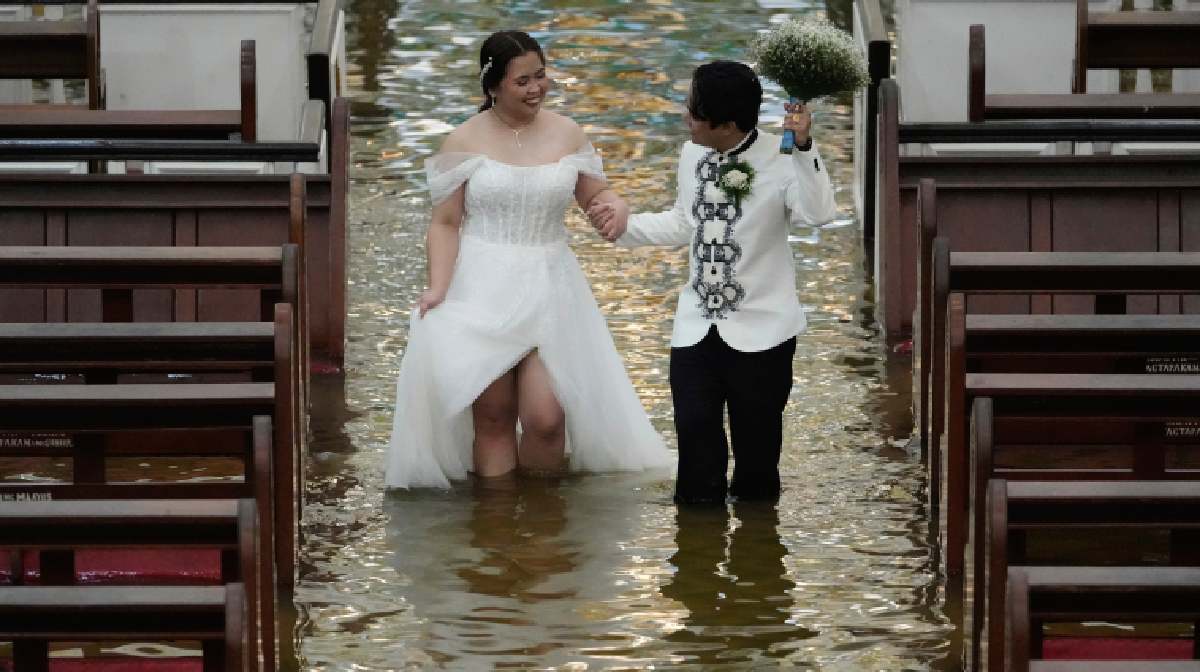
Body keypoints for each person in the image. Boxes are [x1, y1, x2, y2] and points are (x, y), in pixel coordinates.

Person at [385, 31, 672, 489]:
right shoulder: (463, 140)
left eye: (541, 76)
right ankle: (497, 528)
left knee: (546, 418)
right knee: (494, 415)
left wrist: (615, 207)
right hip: (481, 283)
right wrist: (438, 287)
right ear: (493, 86)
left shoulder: (567, 132)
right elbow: (445, 223)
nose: (536, 88)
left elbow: (595, 193)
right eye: (523, 81)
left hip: (550, 281)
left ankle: (541, 526)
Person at [588, 60, 838, 505]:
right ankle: (695, 562)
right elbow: (686, 223)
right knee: (695, 456)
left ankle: (757, 561)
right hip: (696, 328)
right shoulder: (691, 154)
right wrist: (623, 228)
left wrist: (803, 147)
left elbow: (818, 215)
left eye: (693, 111)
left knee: (757, 472)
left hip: (765, 333)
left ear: (724, 123)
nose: (686, 117)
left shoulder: (782, 159)